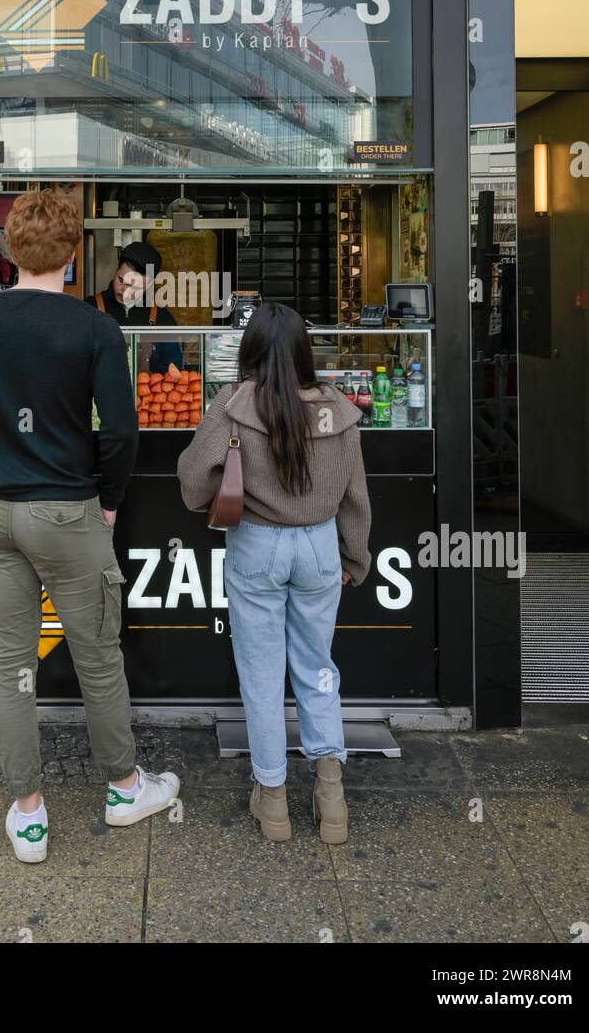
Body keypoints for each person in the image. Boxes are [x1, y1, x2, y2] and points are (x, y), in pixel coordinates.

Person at [0, 188, 180, 864]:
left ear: (10, 250)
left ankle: (28, 816)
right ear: (73, 255)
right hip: (65, 509)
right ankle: (124, 788)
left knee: (11, 667)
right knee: (97, 658)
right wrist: (106, 499)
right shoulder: (93, 329)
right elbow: (121, 432)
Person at [176, 301, 372, 846]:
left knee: (261, 678)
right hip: (320, 547)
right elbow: (356, 497)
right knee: (317, 668)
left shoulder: (234, 403)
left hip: (257, 547)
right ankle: (332, 800)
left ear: (251, 351)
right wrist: (354, 558)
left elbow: (193, 481)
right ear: (306, 351)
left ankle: (274, 802)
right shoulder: (340, 409)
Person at [86, 240, 182, 376]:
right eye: (121, 281)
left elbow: (174, 372)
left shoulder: (162, 318)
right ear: (116, 270)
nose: (125, 291)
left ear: (149, 286)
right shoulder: (90, 309)